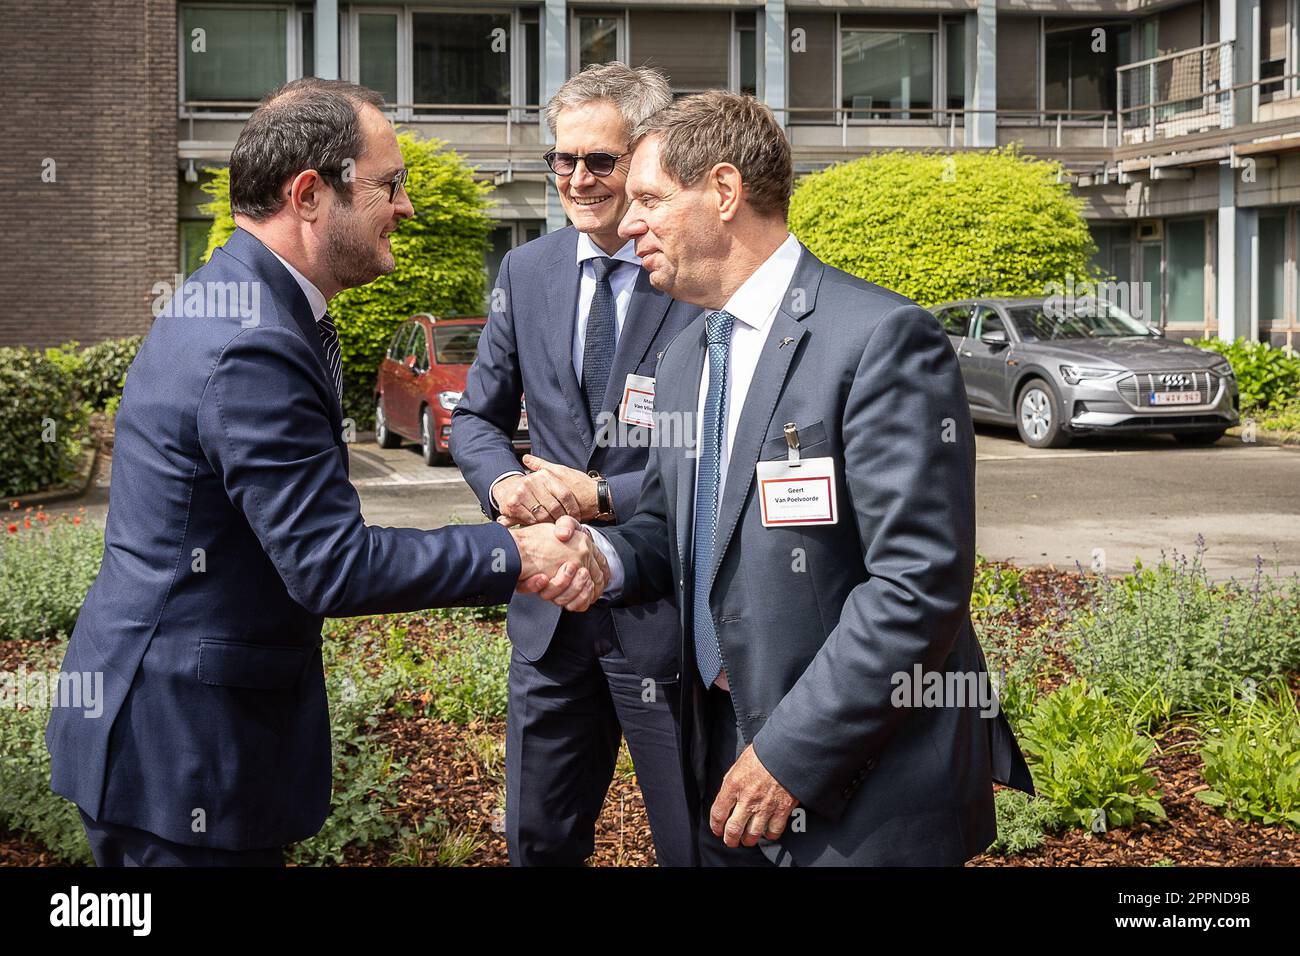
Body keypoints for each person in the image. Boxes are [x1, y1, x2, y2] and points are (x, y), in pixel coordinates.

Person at [44, 78, 604, 867]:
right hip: (182, 755)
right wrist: (519, 553)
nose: (406, 207)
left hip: (170, 736)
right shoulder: (254, 342)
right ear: (310, 193)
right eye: (389, 185)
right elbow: (332, 565)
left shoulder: (242, 299)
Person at [587, 91, 1035, 866]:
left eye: (649, 200)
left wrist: (789, 756)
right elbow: (673, 530)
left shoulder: (881, 339)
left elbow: (916, 585)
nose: (626, 226)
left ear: (724, 193)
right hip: (719, 753)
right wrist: (598, 559)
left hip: (861, 782)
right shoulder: (685, 354)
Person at [451, 63, 696, 866]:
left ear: (648, 155)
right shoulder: (527, 271)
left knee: (694, 844)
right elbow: (477, 421)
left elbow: (723, 446)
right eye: (563, 160)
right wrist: (510, 485)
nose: (577, 178)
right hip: (551, 620)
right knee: (537, 844)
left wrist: (599, 494)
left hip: (664, 617)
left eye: (600, 161)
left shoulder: (696, 276)